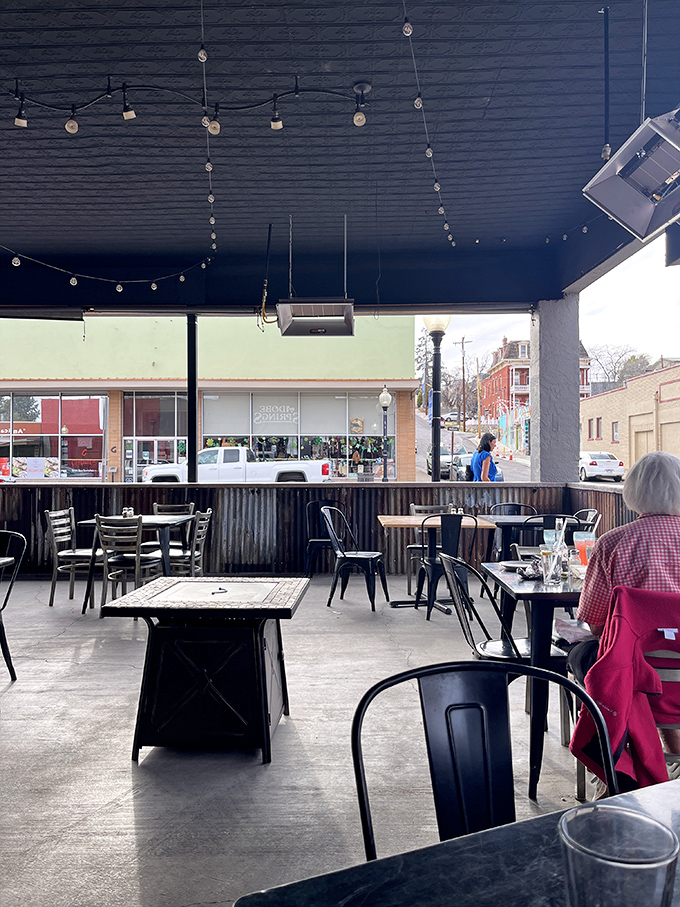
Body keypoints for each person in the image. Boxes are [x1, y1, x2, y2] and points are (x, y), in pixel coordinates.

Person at [569, 450, 680, 753]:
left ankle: (618, 752)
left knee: (584, 655)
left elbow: (595, 626)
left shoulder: (611, 543)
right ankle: (672, 746)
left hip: (634, 682)